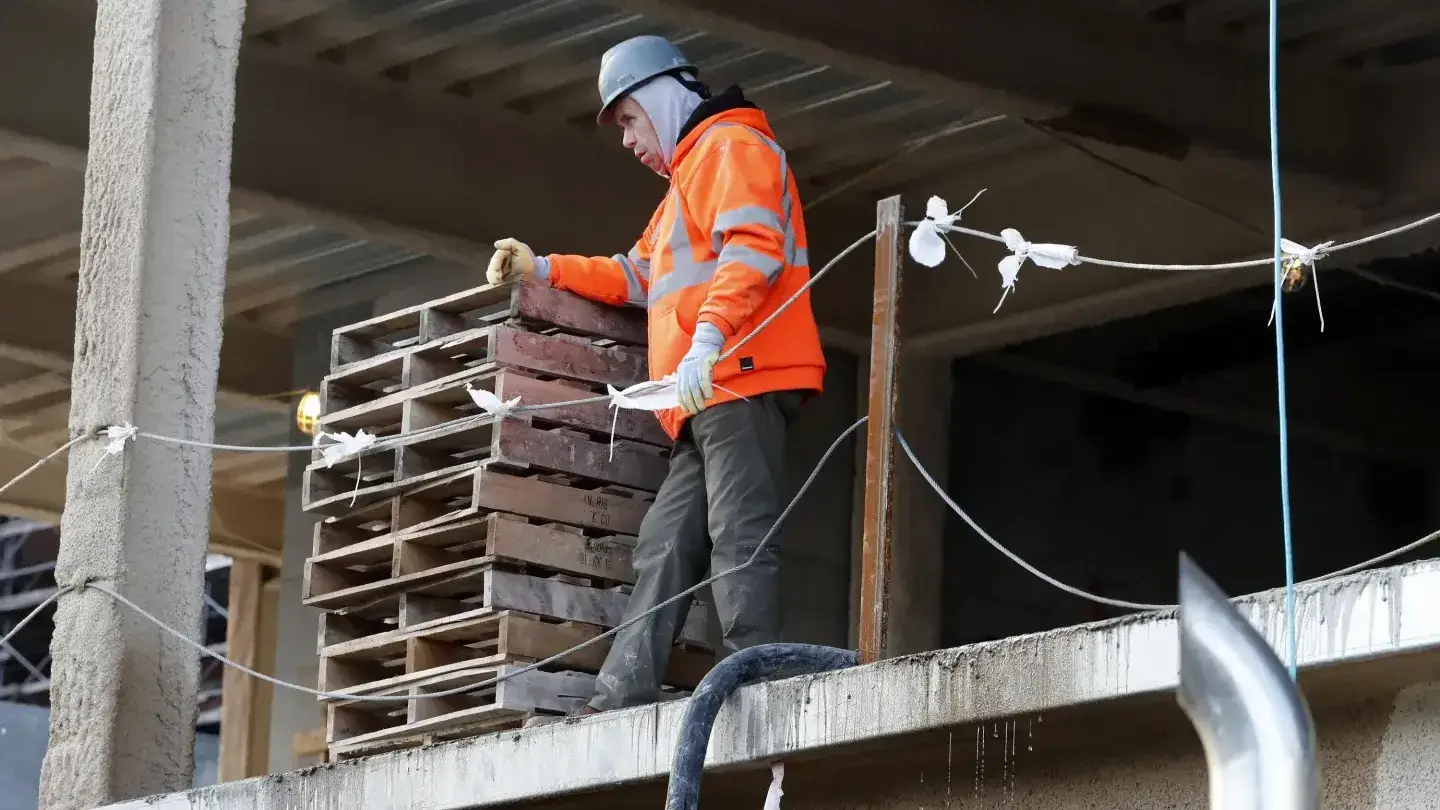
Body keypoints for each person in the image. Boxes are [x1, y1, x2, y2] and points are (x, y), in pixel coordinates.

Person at [486, 34, 826, 716]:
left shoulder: (732, 147)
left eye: (631, 120)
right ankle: (621, 694)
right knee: (665, 545)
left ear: (660, 98)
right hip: (704, 392)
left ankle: (749, 678)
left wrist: (707, 340)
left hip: (739, 379)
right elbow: (635, 275)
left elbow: (754, 247)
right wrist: (544, 268)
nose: (628, 140)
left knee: (738, 533)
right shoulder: (686, 185)